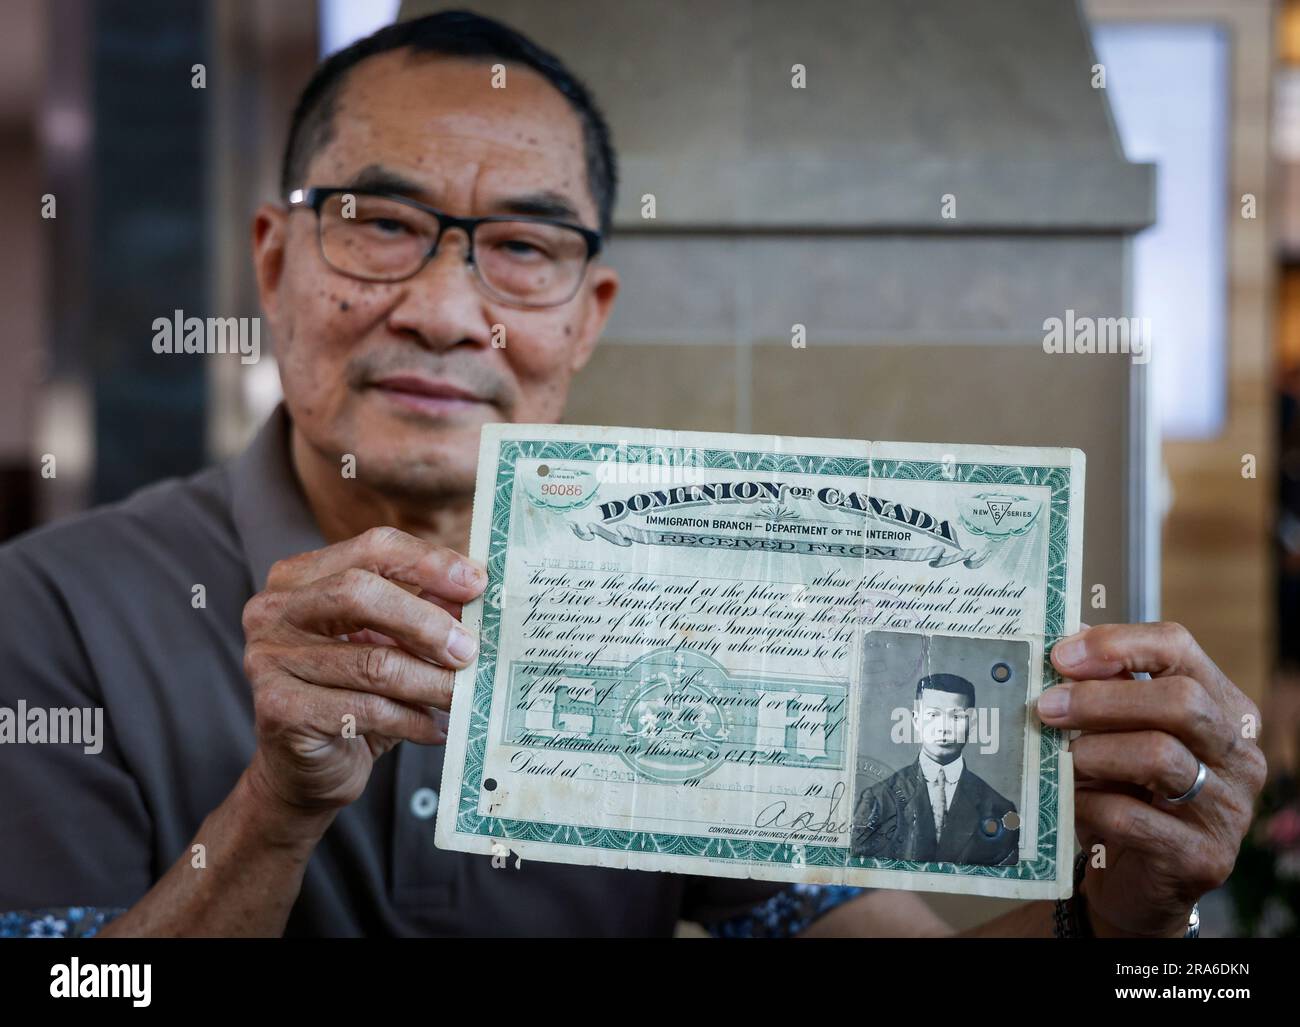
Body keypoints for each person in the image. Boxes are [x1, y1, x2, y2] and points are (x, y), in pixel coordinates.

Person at [0, 10, 1266, 939]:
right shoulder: (52, 613)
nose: (446, 311)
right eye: (382, 225)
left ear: (587, 315)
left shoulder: (692, 599)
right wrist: (274, 811)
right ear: (273, 263)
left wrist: (1121, 921)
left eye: (523, 247)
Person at [851, 674, 1018, 866]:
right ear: (915, 720)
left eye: (956, 716)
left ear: (972, 724)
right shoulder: (878, 799)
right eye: (932, 715)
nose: (943, 728)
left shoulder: (999, 808)